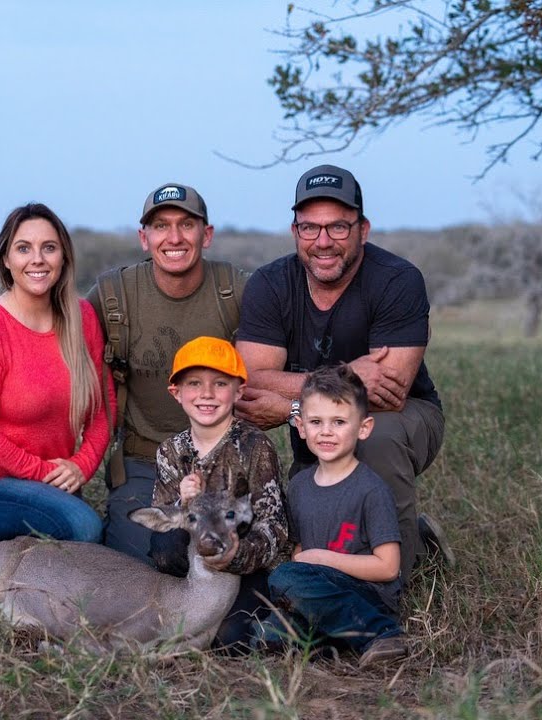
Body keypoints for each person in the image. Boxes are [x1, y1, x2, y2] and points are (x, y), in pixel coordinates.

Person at [234, 164, 454, 582]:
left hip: (404, 415)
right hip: (316, 422)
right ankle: (417, 542)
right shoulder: (269, 283)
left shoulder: (398, 280)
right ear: (294, 231)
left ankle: (390, 590)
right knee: (307, 496)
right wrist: (346, 376)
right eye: (309, 228)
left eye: (337, 227)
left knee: (377, 439)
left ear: (362, 229)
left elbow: (389, 391)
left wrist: (293, 404)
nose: (323, 242)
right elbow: (253, 380)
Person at [86, 182, 250, 564]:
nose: (174, 237)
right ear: (144, 238)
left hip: (224, 458)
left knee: (234, 558)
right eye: (160, 226)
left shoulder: (237, 291)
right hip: (145, 459)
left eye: (186, 225)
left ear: (206, 235)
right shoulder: (114, 296)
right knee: (134, 566)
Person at [0, 202, 114, 544]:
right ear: (6, 260)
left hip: (52, 485)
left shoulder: (82, 318)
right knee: (84, 528)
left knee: (102, 536)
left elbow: (103, 408)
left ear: (63, 257)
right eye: (24, 248)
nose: (37, 259)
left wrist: (82, 465)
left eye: (48, 248)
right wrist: (45, 473)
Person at [150, 336, 289, 652]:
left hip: (245, 565)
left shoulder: (255, 447)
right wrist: (181, 505)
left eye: (220, 384)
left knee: (229, 641)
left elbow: (274, 527)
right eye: (194, 383)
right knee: (165, 542)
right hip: (191, 566)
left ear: (239, 391)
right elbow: (159, 517)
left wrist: (236, 556)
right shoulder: (171, 451)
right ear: (177, 393)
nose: (207, 394)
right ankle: (187, 604)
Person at [263, 364, 407, 665]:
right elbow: (301, 550)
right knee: (266, 635)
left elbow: (389, 568)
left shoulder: (370, 489)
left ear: (363, 427)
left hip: (368, 594)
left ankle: (381, 633)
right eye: (316, 421)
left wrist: (321, 558)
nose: (326, 431)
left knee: (286, 576)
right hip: (321, 589)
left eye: (339, 421)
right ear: (300, 427)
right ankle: (337, 637)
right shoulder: (300, 486)